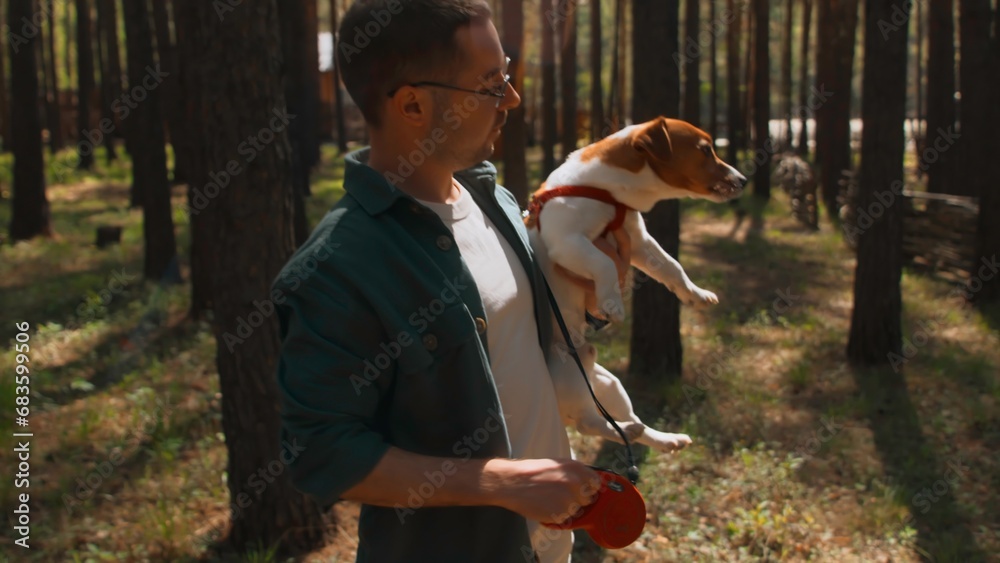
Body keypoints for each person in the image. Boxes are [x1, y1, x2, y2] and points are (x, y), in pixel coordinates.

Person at [273, 1, 626, 561]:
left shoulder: (495, 200)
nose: (511, 98)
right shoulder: (338, 266)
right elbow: (321, 453)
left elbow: (517, 349)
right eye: (490, 84)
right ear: (412, 103)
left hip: (546, 546)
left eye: (507, 74)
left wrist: (593, 301)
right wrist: (501, 483)